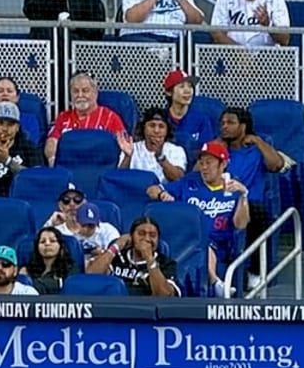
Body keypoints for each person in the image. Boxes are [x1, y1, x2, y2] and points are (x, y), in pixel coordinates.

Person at [147, 140, 251, 273]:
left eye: (209, 163)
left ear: (223, 164)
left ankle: (214, 282)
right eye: (201, 163)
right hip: (184, 240)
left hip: (218, 244)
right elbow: (151, 190)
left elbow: (241, 225)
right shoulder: (189, 182)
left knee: (205, 245)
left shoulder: (234, 189)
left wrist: (243, 195)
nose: (204, 167)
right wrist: (162, 194)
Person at [44, 71, 127, 165]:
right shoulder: (63, 118)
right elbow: (52, 142)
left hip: (100, 172)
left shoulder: (110, 118)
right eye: (75, 91)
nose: (80, 95)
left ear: (95, 93)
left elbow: (124, 149)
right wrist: (53, 163)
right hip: (69, 172)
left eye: (85, 90)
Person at [87, 215, 179, 297]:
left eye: (153, 235)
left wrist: (149, 259)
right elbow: (90, 277)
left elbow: (165, 296)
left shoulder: (166, 263)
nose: (147, 239)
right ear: (131, 237)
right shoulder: (117, 257)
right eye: (141, 234)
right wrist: (116, 246)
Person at [211, 0, 291, 48]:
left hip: (267, 57)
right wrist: (238, 52)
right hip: (231, 57)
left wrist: (268, 25)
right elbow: (217, 34)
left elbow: (285, 40)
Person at [23, 0, 105, 43]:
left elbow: (96, 20)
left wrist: (74, 27)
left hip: (76, 47)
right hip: (45, 45)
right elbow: (32, 13)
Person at [121, 0, 204, 42]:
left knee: (202, 38)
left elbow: (197, 21)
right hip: (144, 35)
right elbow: (131, 18)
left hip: (177, 39)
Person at [123, 107, 187, 185]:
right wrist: (127, 156)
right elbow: (119, 179)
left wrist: (161, 158)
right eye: (152, 125)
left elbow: (179, 178)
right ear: (144, 128)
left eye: (161, 126)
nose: (156, 131)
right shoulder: (131, 148)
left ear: (167, 130)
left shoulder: (176, 150)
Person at [163, 70, 215, 161]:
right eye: (182, 86)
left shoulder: (202, 120)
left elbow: (207, 152)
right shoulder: (161, 119)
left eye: (190, 86)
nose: (188, 90)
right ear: (169, 92)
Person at [22, 226, 78, 294]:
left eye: (52, 241)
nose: (47, 244)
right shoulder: (27, 270)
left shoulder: (70, 268)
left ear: (61, 247)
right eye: (42, 242)